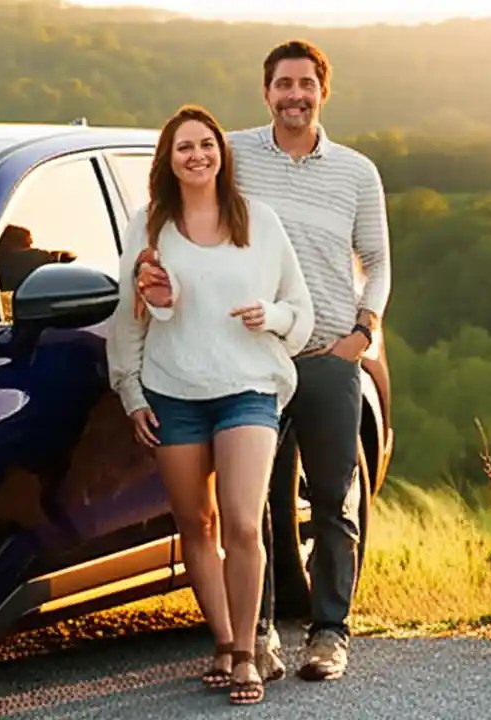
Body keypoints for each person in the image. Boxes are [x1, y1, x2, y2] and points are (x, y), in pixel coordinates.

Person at [138, 39, 392, 682]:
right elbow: (184, 198)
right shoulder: (237, 154)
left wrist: (362, 333)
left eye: (306, 84)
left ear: (322, 91)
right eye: (283, 84)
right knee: (259, 507)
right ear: (266, 92)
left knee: (335, 501)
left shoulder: (357, 172)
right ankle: (259, 635)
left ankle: (330, 632)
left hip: (329, 353)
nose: (295, 95)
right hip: (249, 361)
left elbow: (379, 263)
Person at [107, 104, 314, 705]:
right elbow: (130, 315)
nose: (197, 155)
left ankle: (249, 653)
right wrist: (130, 390)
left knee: (244, 521)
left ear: (222, 154)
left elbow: (298, 316)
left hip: (248, 387)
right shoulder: (149, 225)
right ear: (168, 162)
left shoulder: (260, 222)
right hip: (174, 392)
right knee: (197, 524)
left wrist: (268, 315)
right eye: (183, 148)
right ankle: (223, 642)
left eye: (206, 144)